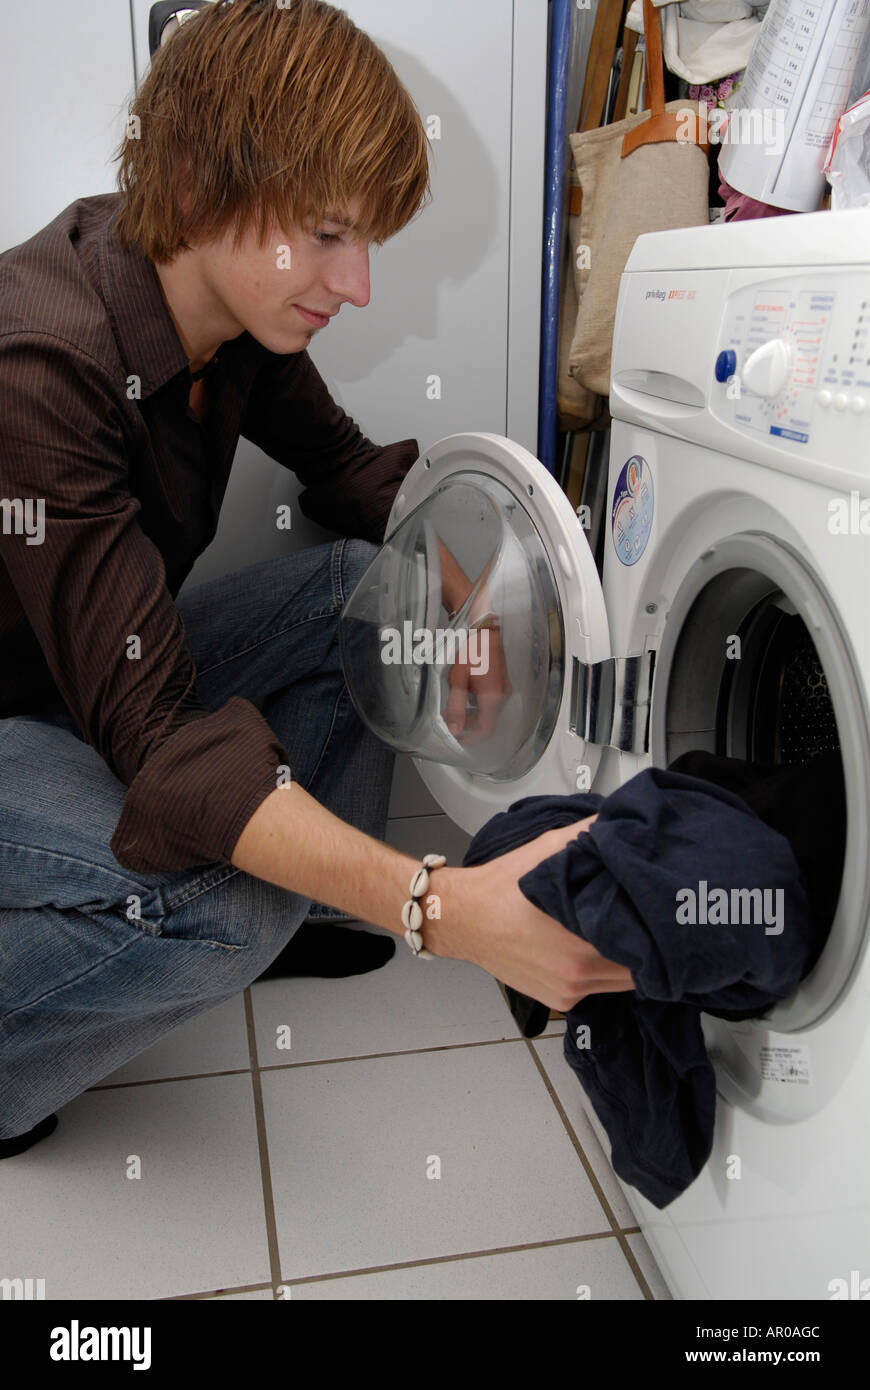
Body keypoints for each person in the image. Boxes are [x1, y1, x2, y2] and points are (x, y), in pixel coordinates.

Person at [0, 0, 632, 1160]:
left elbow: (349, 474)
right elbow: (157, 736)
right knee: (221, 907)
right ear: (196, 186)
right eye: (330, 234)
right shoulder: (40, 368)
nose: (362, 285)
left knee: (363, 585)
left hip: (82, 665)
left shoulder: (225, 315)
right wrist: (442, 906)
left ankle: (314, 894)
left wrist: (465, 593)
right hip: (22, 709)